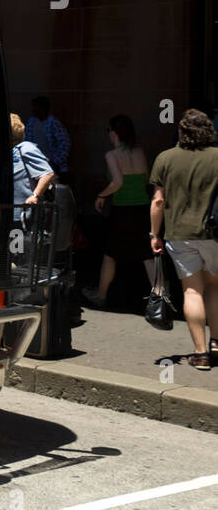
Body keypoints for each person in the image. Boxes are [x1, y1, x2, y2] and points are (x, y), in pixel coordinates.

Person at [149, 108, 218, 370]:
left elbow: (158, 200)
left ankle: (200, 353)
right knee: (214, 287)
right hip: (214, 234)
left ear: (181, 131)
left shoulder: (166, 158)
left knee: (192, 290)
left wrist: (154, 234)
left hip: (179, 234)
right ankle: (216, 343)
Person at [83, 115, 153, 308]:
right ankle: (160, 295)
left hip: (122, 210)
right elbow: (146, 179)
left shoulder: (111, 155)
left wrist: (102, 195)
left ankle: (101, 295)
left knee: (110, 254)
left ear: (113, 132)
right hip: (142, 208)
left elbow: (117, 182)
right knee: (147, 254)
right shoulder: (139, 152)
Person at [12, 112, 55, 222]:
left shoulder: (25, 148)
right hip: (7, 211)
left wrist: (35, 196)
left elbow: (47, 173)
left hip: (22, 212)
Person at [26, 95, 71, 175]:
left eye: (35, 107)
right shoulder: (31, 122)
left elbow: (64, 143)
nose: (33, 110)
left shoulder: (53, 123)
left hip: (52, 165)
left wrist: (56, 161)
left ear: (42, 108)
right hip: (36, 163)